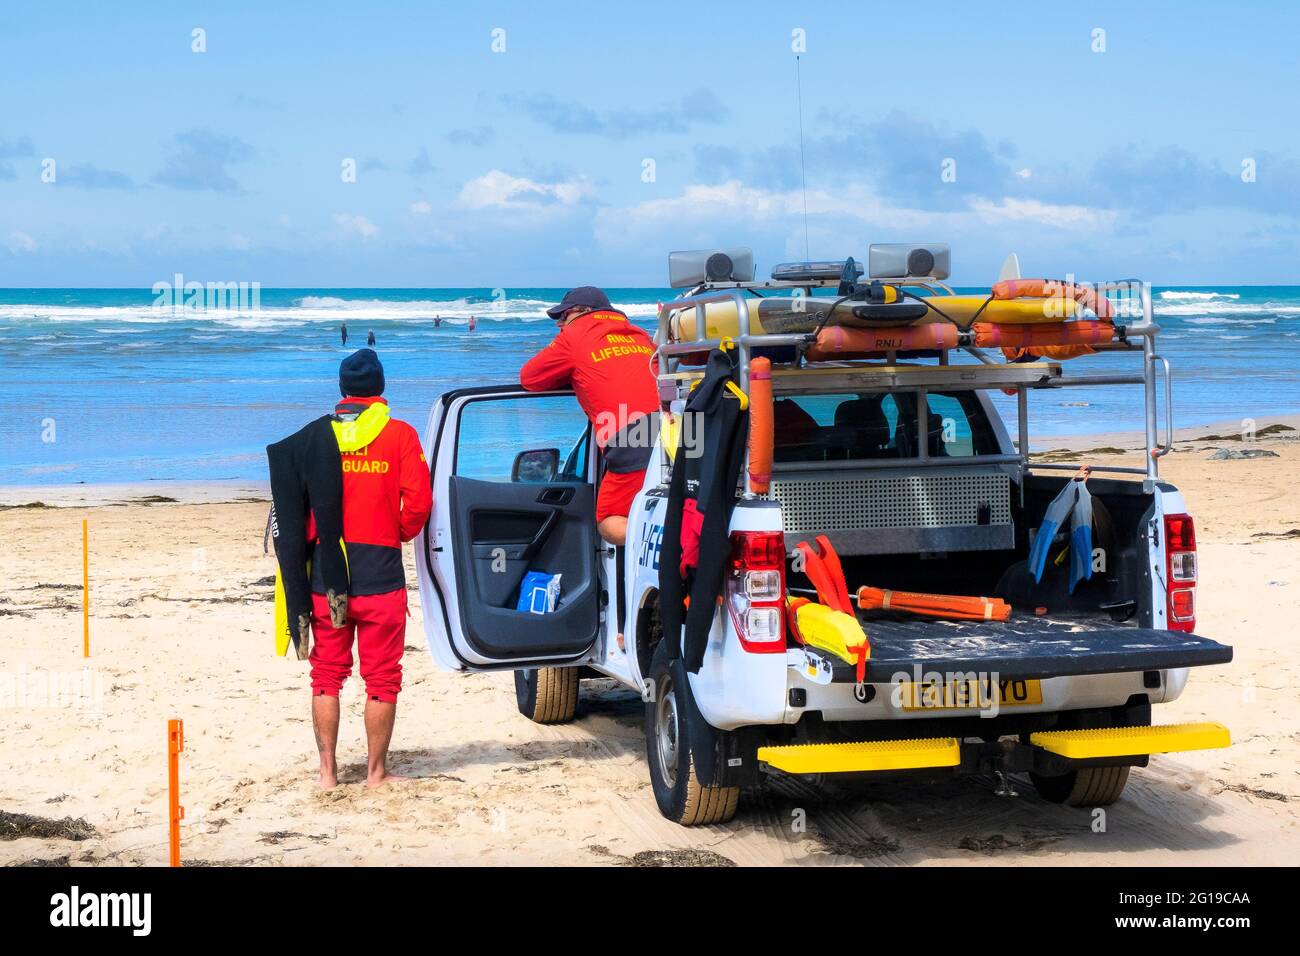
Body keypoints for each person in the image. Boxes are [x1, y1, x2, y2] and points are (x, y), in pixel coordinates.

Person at [308, 349, 432, 789]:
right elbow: (419, 501)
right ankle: (376, 773)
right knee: (382, 677)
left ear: (342, 391)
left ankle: (327, 773)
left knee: (326, 673)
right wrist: (398, 531)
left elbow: (298, 504)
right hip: (379, 572)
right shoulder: (399, 434)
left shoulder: (318, 436)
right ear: (380, 390)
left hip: (328, 573)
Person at [521, 287, 657, 546]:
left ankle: (668, 539)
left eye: (563, 317)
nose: (560, 324)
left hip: (633, 438)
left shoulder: (575, 334)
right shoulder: (639, 334)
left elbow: (529, 378)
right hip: (681, 432)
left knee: (609, 520)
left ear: (581, 312)